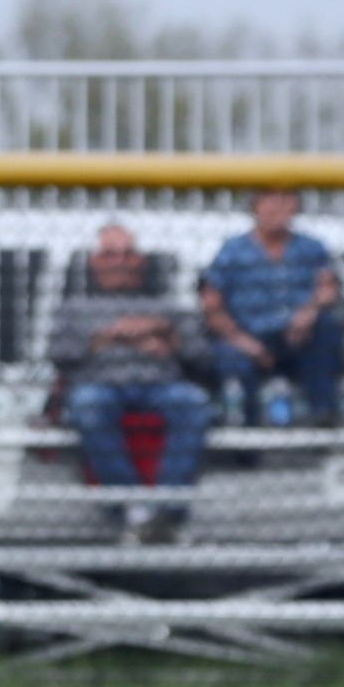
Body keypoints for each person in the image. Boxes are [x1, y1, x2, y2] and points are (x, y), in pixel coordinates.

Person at [48, 223, 215, 545]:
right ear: (95, 262)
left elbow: (201, 356)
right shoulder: (74, 309)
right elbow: (59, 355)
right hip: (100, 384)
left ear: (141, 261)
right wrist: (113, 334)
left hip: (160, 384)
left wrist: (169, 335)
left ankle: (166, 507)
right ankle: (134, 507)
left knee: (193, 402)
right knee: (88, 405)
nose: (120, 263)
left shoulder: (168, 308)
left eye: (127, 254)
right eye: (110, 255)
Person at [201, 189, 344, 426]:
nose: (276, 208)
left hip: (296, 335)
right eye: (269, 201)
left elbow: (328, 288)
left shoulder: (311, 248)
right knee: (233, 362)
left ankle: (324, 415)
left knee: (326, 330)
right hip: (248, 336)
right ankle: (246, 430)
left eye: (284, 200)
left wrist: (309, 311)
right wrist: (243, 341)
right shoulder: (233, 251)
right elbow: (211, 304)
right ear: (255, 206)